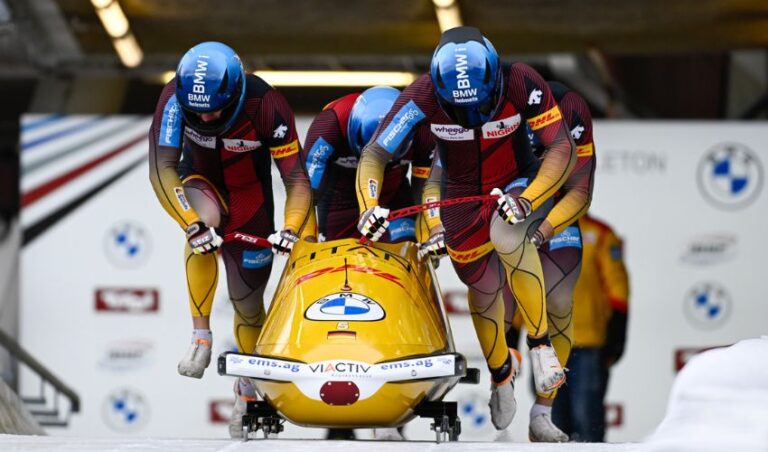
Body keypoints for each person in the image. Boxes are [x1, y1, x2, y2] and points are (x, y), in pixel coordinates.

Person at [354, 26, 577, 440]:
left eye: (480, 105)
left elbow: (562, 147)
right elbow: (375, 153)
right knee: (483, 289)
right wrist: (369, 204)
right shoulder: (421, 94)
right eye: (459, 109)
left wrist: (528, 200)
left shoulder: (520, 81)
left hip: (517, 182)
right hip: (460, 196)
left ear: (494, 79)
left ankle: (541, 345)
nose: (472, 115)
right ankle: (500, 374)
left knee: (508, 235)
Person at [147, 41, 313, 437]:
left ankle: (247, 388)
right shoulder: (173, 99)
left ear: (235, 92)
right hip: (199, 182)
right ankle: (201, 336)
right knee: (203, 226)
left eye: (214, 109)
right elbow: (162, 169)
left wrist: (291, 228)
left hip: (250, 200)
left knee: (248, 304)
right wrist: (190, 222)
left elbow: (297, 180)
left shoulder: (266, 104)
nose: (205, 117)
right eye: (197, 111)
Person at [502, 81, 598, 441]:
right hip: (508, 206)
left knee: (559, 301)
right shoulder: (504, 110)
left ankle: (543, 411)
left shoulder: (572, 109)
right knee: (500, 297)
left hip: (553, 211)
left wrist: (544, 230)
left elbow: (581, 190)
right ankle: (501, 378)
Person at [302, 86, 434, 244]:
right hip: (339, 202)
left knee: (405, 247)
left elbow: (426, 190)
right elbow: (306, 190)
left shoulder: (421, 130)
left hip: (393, 199)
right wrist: (306, 239)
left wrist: (429, 237)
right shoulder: (329, 125)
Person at [550, 213, 629, 442]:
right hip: (547, 346)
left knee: (587, 420)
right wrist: (512, 335)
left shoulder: (600, 233)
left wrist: (616, 335)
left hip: (588, 345)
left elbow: (618, 289)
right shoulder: (534, 231)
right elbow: (522, 284)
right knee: (551, 425)